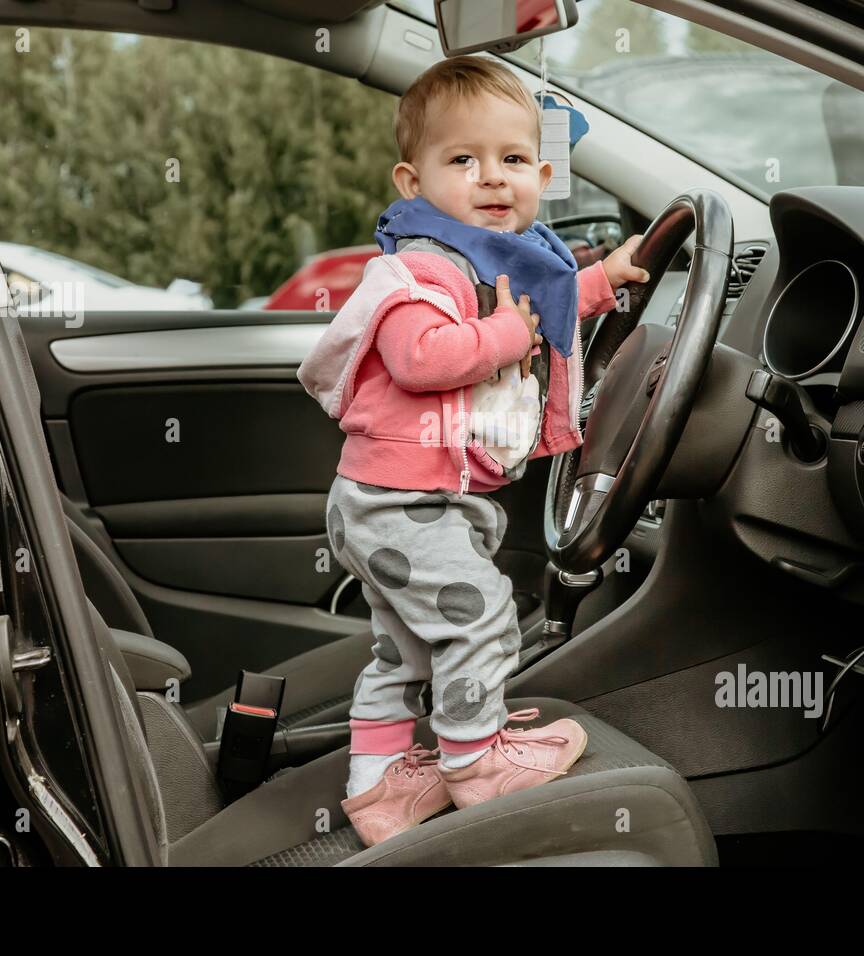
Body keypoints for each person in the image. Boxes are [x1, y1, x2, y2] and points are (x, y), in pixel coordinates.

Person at [296, 55, 648, 847]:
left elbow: (542, 302)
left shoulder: (490, 260)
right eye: (464, 160)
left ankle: (381, 789)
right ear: (411, 181)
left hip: (400, 500)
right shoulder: (416, 267)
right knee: (484, 620)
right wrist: (504, 337)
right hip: (401, 502)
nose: (493, 179)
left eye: (513, 160)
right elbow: (423, 356)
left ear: (543, 173)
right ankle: (474, 762)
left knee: (406, 649)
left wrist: (609, 278)